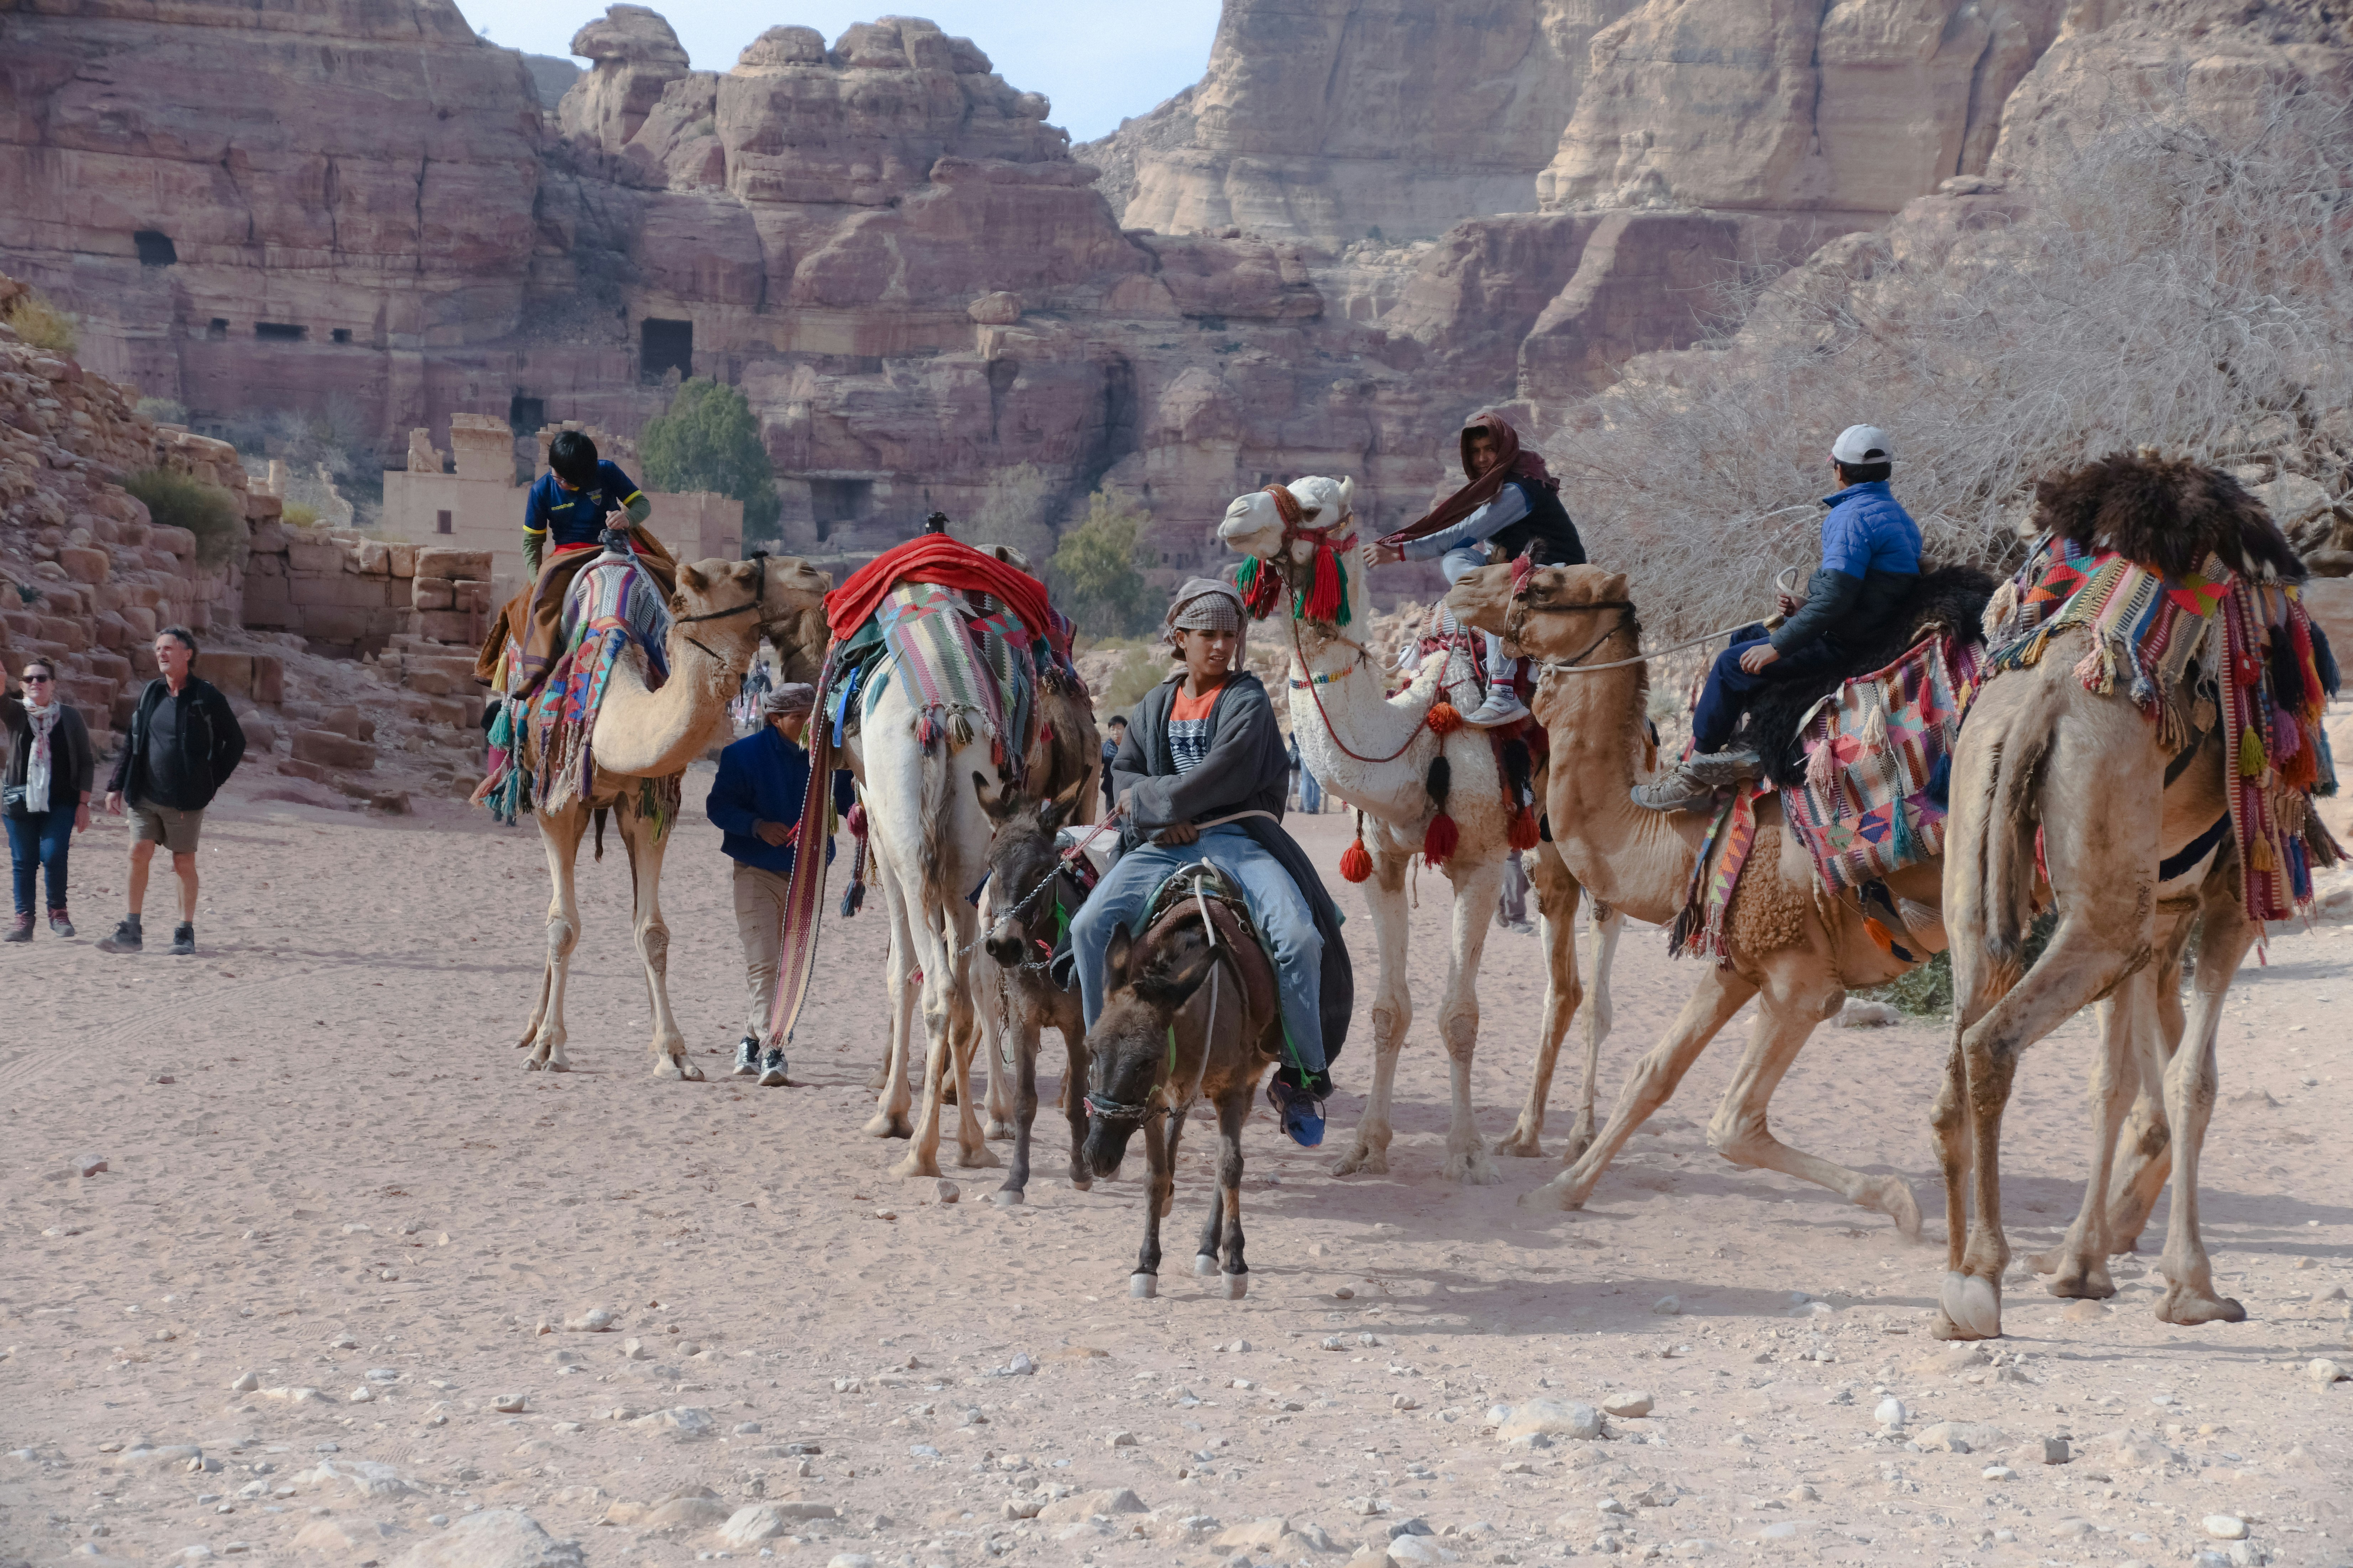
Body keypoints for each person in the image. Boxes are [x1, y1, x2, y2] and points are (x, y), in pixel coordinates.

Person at [1073, 578, 1352, 1147]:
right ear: (1180, 637)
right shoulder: (1154, 703)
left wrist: (1158, 806)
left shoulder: (1246, 700)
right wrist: (1158, 821)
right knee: (1088, 925)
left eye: (1231, 634)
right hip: (1162, 845)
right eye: (1208, 635)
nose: (1221, 646)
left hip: (1238, 840)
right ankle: (1100, 1051)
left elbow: (1221, 773)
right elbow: (1122, 774)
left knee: (1299, 938)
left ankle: (1300, 1074)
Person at [1633, 425, 1921, 812]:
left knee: (1729, 666)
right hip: (1867, 631)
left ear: (1838, 470)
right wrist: (1803, 607)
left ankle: (1694, 773)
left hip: (1847, 644)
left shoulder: (1850, 517)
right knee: (1746, 636)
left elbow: (1837, 598)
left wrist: (1777, 647)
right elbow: (1866, 595)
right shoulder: (1897, 516)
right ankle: (1751, 740)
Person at [1371, 412, 1585, 728]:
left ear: (1505, 449)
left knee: (1484, 576)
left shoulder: (1519, 489)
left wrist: (1402, 550)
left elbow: (1462, 531)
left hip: (1553, 571)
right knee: (1456, 558)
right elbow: (1467, 544)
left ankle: (1502, 690)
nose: (1483, 458)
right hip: (1514, 570)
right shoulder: (1495, 488)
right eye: (1475, 452)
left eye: (1490, 449)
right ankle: (1474, 603)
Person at [97, 626, 247, 955]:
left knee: (183, 863)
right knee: (138, 852)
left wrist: (210, 782)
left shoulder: (206, 696)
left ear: (188, 654)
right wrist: (116, 785)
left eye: (168, 648)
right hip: (145, 793)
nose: (161, 654)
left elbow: (235, 742)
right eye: (157, 650)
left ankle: (184, 931)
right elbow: (133, 742)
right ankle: (131, 928)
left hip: (186, 800)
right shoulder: (151, 693)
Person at [707, 683, 818, 1086]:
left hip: (810, 875)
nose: (809, 726)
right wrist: (756, 826)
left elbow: (847, 801)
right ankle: (774, 1051)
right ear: (775, 719)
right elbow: (717, 807)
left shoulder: (826, 758)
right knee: (764, 962)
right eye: (800, 718)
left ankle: (751, 1039)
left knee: (790, 967)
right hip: (755, 870)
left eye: (814, 717)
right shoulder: (742, 755)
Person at [2, 658, 95, 940]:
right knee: (24, 861)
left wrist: (84, 804)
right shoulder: (16, 713)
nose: (36, 683)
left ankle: (58, 913)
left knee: (54, 855)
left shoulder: (70, 717)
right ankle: (24, 921)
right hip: (18, 801)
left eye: (42, 678)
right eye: (29, 679)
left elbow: (87, 763)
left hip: (62, 802)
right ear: (21, 685)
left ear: (54, 684)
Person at [522, 430, 651, 580]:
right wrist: (537, 583)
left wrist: (628, 518)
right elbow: (531, 543)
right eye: (558, 479)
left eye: (568, 481)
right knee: (547, 601)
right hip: (568, 554)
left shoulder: (607, 471)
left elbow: (642, 504)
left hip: (616, 545)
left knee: (664, 577)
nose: (562, 485)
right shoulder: (541, 491)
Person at [1098, 713, 1126, 821]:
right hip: (1111, 789)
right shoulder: (1105, 748)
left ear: (1126, 729)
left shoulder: (1132, 746)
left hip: (1128, 787)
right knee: (1112, 820)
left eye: (1119, 729)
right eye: (1113, 729)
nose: (1116, 733)